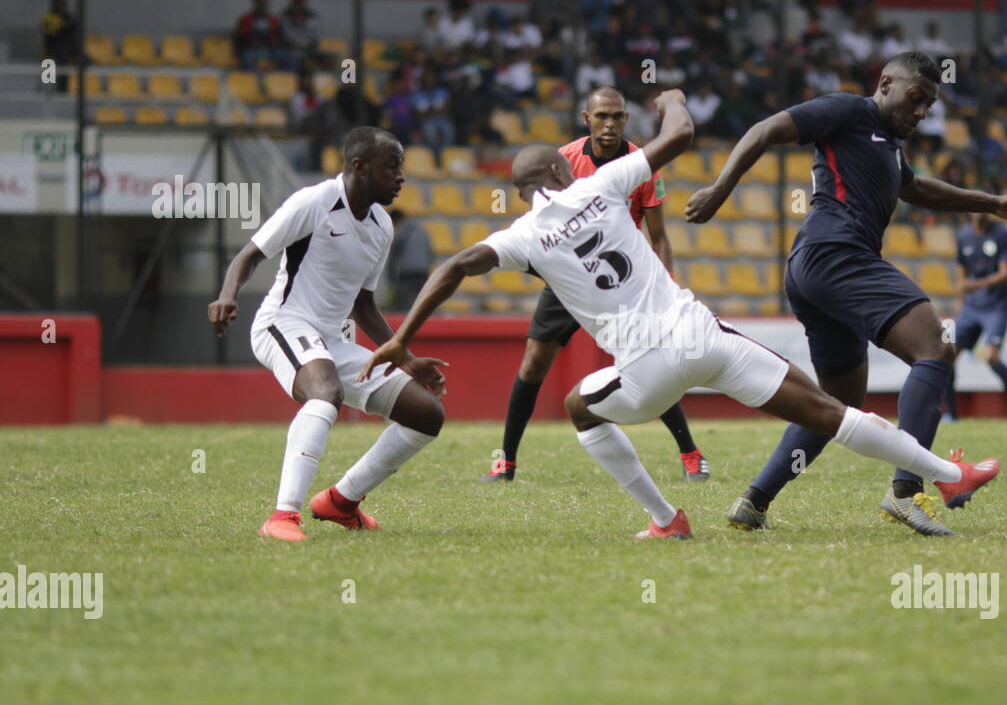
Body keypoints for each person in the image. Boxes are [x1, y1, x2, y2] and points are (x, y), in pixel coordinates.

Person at [361, 91, 1001, 540]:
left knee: (581, 409)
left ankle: (666, 518)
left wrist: (404, 339)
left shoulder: (522, 236)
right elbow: (683, 135)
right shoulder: (602, 183)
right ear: (565, 165)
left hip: (643, 373)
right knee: (832, 413)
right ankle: (948, 475)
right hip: (705, 339)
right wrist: (669, 99)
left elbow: (452, 269)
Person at [685, 52, 1007, 536]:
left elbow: (917, 190)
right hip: (835, 253)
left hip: (815, 267)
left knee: (839, 400)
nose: (921, 113)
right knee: (937, 345)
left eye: (929, 106)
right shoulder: (848, 111)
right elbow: (765, 129)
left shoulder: (889, 144)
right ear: (886, 82)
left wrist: (994, 203)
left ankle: (754, 501)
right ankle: (907, 491)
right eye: (916, 99)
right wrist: (721, 188)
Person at [206, 127, 448, 541]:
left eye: (401, 167)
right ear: (359, 166)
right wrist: (227, 295)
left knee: (426, 414)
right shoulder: (314, 202)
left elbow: (364, 303)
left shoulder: (382, 226)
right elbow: (249, 255)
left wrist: (405, 359)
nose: (401, 176)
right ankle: (282, 517)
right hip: (283, 323)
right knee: (326, 392)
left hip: (332, 340)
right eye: (391, 166)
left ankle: (341, 502)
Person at [478, 86, 710, 485]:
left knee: (647, 363)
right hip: (570, 276)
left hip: (623, 282)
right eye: (601, 116)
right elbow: (539, 228)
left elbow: (660, 238)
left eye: (617, 117)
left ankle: (690, 453)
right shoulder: (562, 160)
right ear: (586, 119)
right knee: (534, 362)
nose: (609, 124)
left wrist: (665, 284)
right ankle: (506, 461)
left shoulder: (642, 164)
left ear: (625, 120)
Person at [944, 213, 1007, 424]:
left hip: (997, 305)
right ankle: (952, 414)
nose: (979, 212)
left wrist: (973, 286)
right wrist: (963, 304)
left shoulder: (1001, 234)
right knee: (946, 354)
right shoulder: (963, 236)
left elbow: (1005, 274)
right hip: (971, 307)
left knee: (991, 356)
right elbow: (963, 275)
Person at [387, 209, 436, 311]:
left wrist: (391, 277)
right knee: (421, 306)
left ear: (395, 220)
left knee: (404, 308)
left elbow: (394, 256)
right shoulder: (423, 231)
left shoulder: (401, 230)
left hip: (407, 275)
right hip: (422, 274)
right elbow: (430, 254)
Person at [41, 0, 78, 92]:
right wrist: (63, 27)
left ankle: (78, 88)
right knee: (60, 57)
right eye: (62, 2)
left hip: (69, 48)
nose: (64, 5)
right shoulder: (49, 17)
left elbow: (74, 34)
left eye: (65, 3)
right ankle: (60, 89)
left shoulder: (69, 18)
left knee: (84, 58)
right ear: (56, 3)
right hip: (53, 48)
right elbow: (50, 35)